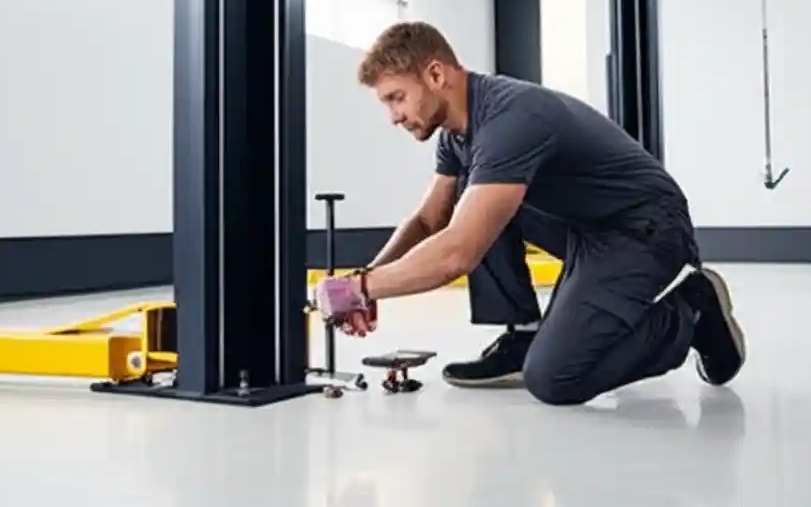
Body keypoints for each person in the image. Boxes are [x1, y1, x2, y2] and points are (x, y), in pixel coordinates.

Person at [314, 21, 745, 405]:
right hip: (586, 228)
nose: (394, 117)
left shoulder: (511, 119)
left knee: (556, 378)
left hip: (644, 227)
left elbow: (456, 254)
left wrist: (359, 289)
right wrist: (366, 278)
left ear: (435, 74)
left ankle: (692, 312)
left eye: (397, 98)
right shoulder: (457, 135)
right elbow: (429, 221)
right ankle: (521, 335)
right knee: (473, 191)